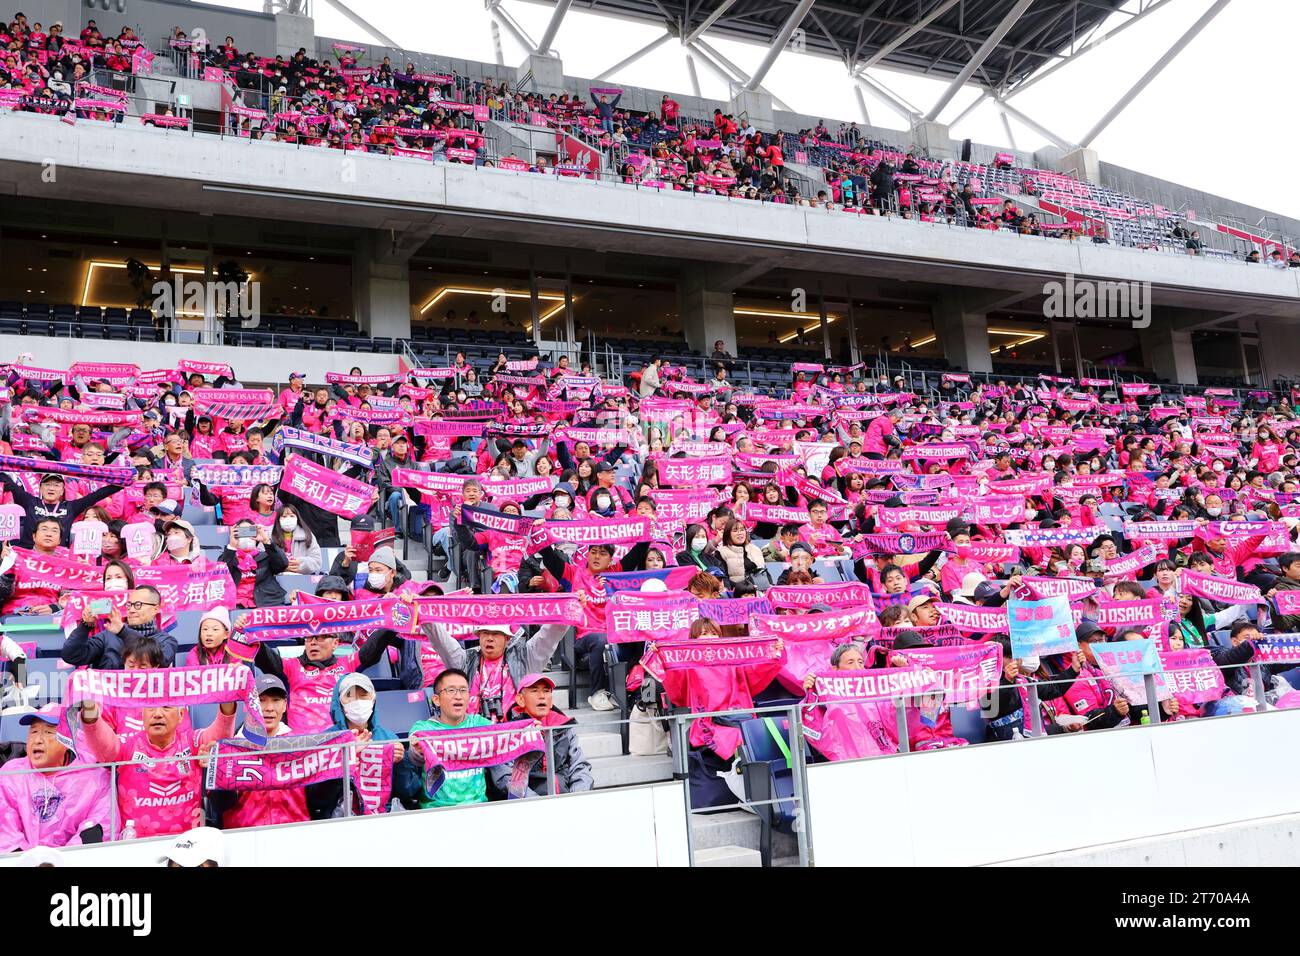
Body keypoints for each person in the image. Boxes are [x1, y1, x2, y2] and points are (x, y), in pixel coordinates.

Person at [79, 694, 238, 839]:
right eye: (150, 708)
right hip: (135, 845)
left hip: (188, 846)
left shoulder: (194, 742)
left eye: (167, 707)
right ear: (142, 715)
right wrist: (90, 709)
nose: (157, 714)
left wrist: (228, 699)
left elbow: (219, 737)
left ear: (181, 715)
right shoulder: (126, 746)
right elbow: (99, 741)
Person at [0, 704, 112, 852]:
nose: (38, 740)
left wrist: (59, 861)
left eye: (48, 732)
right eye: (33, 731)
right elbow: (6, 830)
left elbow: (100, 825)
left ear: (68, 740)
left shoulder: (95, 777)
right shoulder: (11, 774)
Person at [421, 620, 568, 721]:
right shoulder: (464, 660)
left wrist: (570, 606)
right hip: (473, 736)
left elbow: (550, 635)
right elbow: (439, 639)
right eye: (485, 633)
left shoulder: (526, 658)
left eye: (496, 634)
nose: (489, 639)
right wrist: (421, 611)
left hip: (514, 736)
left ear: (507, 639)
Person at [489, 673, 593, 797]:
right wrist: (536, 803)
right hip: (527, 805)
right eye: (534, 691)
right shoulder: (507, 732)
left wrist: (577, 797)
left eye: (546, 691)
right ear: (520, 700)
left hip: (566, 800)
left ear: (551, 701)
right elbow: (506, 777)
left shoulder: (565, 728)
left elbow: (580, 767)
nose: (542, 696)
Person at [404, 668, 495, 807]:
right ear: (436, 699)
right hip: (436, 809)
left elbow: (506, 736)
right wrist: (417, 750)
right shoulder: (424, 728)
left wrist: (529, 730)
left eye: (463, 690)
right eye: (451, 690)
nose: (458, 696)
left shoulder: (479, 723)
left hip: (478, 808)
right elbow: (414, 755)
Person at [62, 585, 176, 669]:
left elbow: (161, 660)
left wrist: (122, 631)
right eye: (129, 605)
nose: (131, 610)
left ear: (155, 609)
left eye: (138, 605)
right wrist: (85, 625)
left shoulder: (166, 640)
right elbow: (71, 656)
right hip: (108, 700)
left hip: (145, 699)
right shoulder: (107, 636)